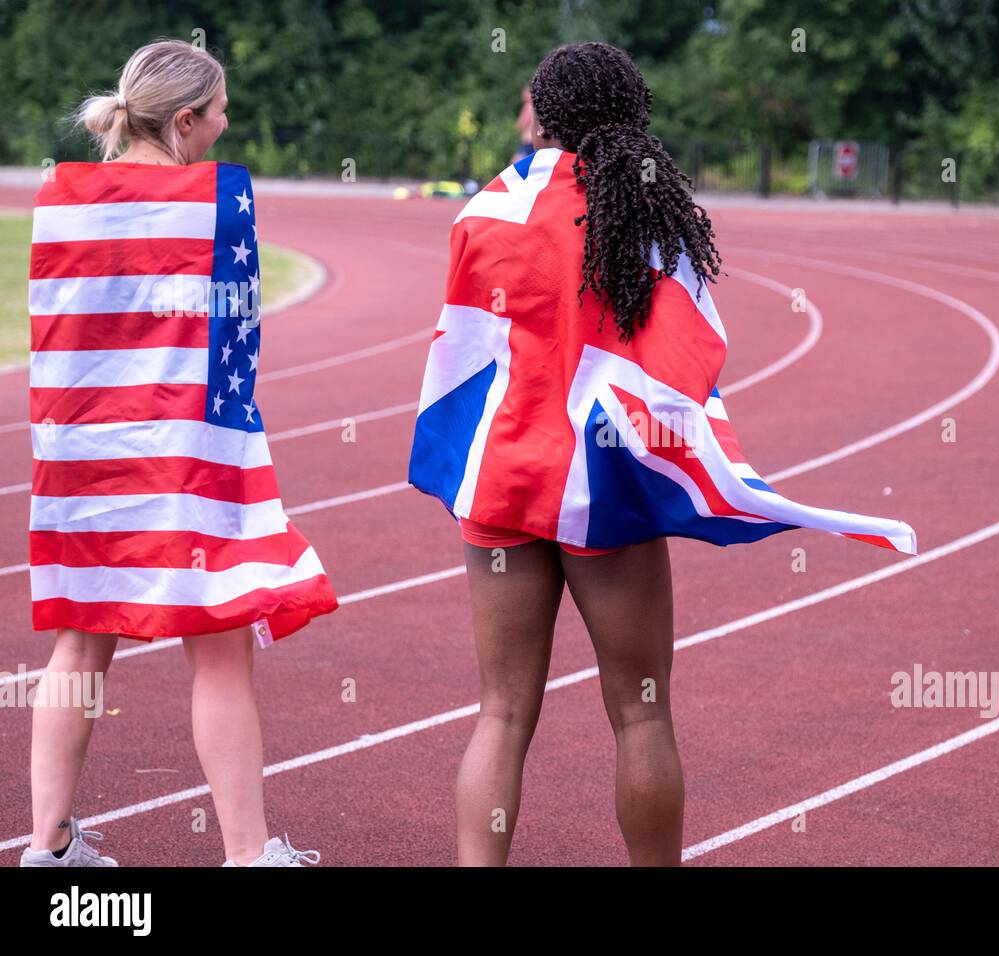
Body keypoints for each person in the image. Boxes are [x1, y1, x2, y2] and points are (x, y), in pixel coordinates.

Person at [408, 42, 916, 867]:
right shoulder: (644, 213)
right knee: (641, 713)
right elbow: (691, 357)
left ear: (544, 110)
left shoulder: (484, 209)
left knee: (500, 714)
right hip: (602, 487)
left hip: (501, 481)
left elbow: (458, 351)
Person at [22, 39, 336, 868]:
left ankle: (47, 845)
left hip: (80, 447)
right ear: (187, 119)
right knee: (222, 640)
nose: (228, 127)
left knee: (81, 635)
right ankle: (245, 852)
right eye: (221, 112)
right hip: (186, 451)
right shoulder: (217, 203)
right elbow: (236, 349)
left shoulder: (60, 197)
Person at [509, 84, 535, 165]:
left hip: (527, 141)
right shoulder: (536, 107)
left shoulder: (529, 106)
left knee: (514, 164)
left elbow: (521, 124)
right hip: (533, 141)